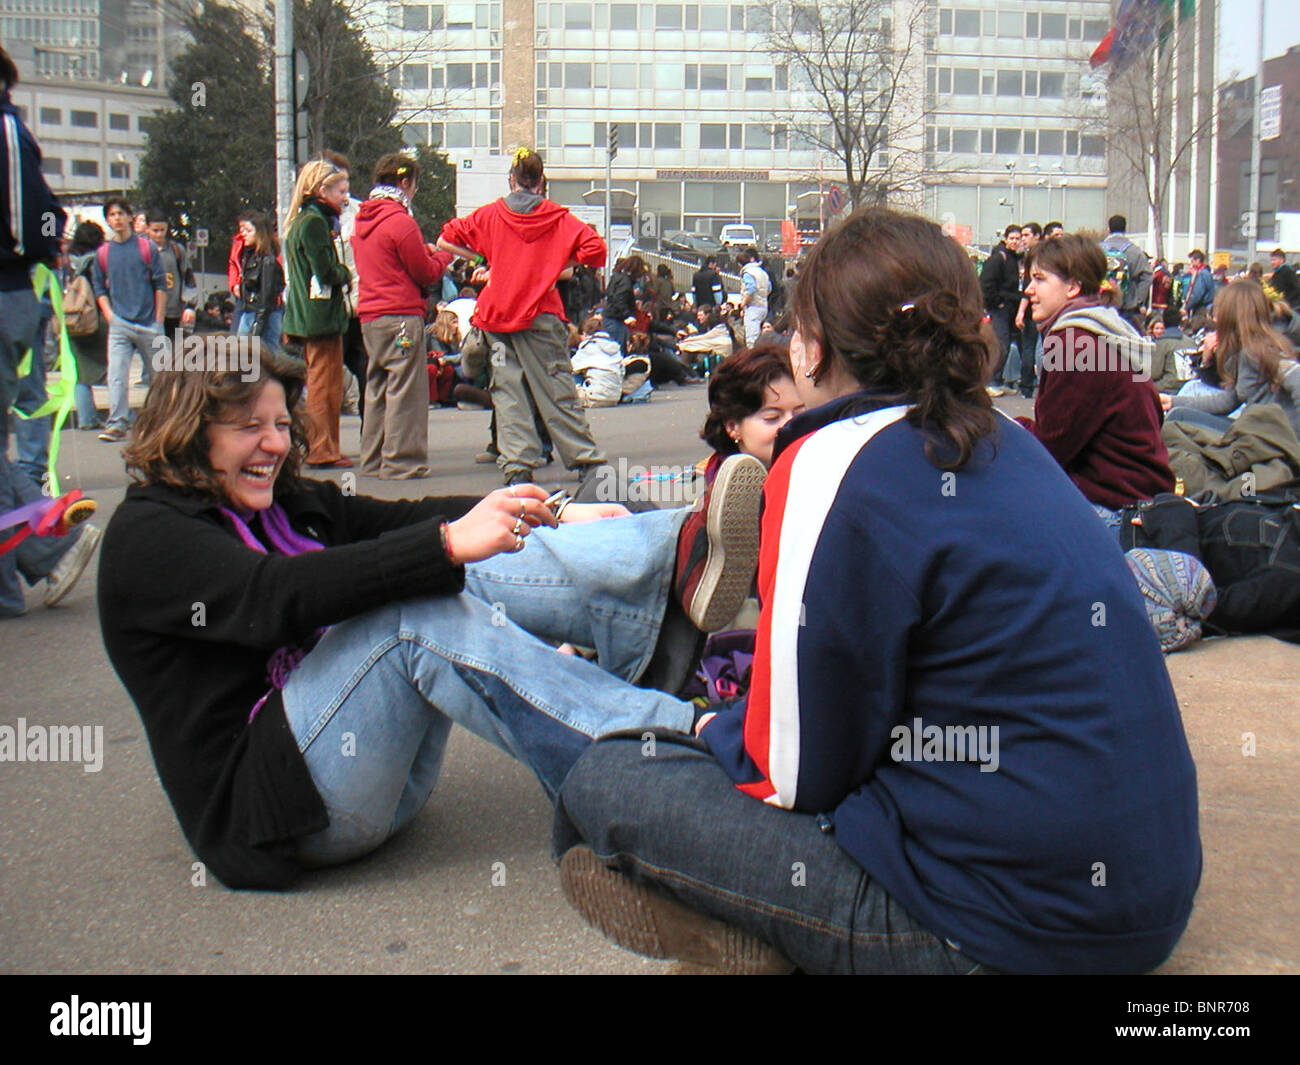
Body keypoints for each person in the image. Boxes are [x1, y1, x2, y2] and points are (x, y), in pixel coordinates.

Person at [553, 206, 1202, 976]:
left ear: (812, 346)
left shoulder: (828, 458)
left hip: (997, 933)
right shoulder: (1012, 441)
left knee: (607, 777)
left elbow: (792, 773)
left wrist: (715, 732)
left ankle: (774, 936)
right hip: (1146, 903)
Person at [96, 343, 775, 889]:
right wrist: (447, 545)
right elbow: (275, 596)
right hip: (289, 816)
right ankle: (688, 733)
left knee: (445, 556)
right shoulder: (148, 538)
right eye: (249, 427)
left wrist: (548, 510)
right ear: (188, 432)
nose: (274, 443)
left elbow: (394, 519)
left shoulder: (279, 502)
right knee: (413, 604)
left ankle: (669, 560)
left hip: (376, 776)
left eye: (280, 423)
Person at [1, 44, 102, 619]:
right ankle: (44, 547)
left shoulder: (6, 131)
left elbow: (36, 220)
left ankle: (38, 553)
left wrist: (27, 255)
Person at [437, 147, 608, 486]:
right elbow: (596, 251)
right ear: (541, 182)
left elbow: (446, 238)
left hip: (498, 315)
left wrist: (487, 258)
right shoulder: (558, 218)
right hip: (540, 315)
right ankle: (585, 462)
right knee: (555, 387)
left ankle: (517, 466)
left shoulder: (489, 216)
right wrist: (551, 265)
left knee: (508, 393)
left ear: (511, 180)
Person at [1020, 233, 1174, 533]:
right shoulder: (1103, 326)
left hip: (1115, 509)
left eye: (1039, 279)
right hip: (1142, 497)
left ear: (1073, 286)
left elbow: (1050, 449)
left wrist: (1002, 428)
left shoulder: (1074, 344)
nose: (1028, 290)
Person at [351, 152, 453, 479]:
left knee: (378, 386)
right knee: (406, 389)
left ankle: (373, 459)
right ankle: (401, 462)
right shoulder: (400, 222)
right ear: (405, 182)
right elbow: (424, 273)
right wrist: (443, 257)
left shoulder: (363, 220)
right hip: (400, 316)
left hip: (370, 316)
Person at [282, 158, 353, 468]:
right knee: (325, 387)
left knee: (323, 383)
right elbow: (325, 271)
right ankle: (322, 449)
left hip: (308, 313)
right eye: (341, 190)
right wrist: (345, 273)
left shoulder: (301, 220)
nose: (345, 197)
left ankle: (325, 447)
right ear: (322, 190)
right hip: (320, 316)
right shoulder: (314, 223)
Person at [1162, 279, 1300, 439]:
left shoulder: (1257, 350)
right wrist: (1172, 401)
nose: (1215, 318)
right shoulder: (1253, 346)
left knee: (1178, 418)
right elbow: (1230, 400)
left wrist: (1294, 443)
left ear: (1232, 315)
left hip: (1265, 440)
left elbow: (1297, 378)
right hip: (1256, 433)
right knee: (1179, 413)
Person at [91, 197, 166, 442]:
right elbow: (99, 289)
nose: (117, 219)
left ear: (130, 217)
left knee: (161, 377)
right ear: (107, 220)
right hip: (120, 324)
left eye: (121, 213)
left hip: (148, 323)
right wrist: (110, 316)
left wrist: (158, 320)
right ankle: (117, 423)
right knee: (116, 375)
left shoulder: (147, 248)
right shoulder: (103, 253)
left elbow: (160, 285)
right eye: (112, 215)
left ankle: (163, 422)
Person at [65, 221, 109, 429]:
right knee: (111, 369)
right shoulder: (99, 261)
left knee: (80, 373)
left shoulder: (67, 261)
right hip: (95, 319)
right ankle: (122, 415)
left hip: (72, 320)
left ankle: (86, 418)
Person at [979, 224, 1021, 396]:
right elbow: (986, 283)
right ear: (1005, 239)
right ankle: (990, 382)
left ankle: (997, 380)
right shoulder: (999, 257)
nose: (1015, 242)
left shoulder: (1012, 258)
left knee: (1006, 344)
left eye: (1018, 238)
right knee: (1000, 344)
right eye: (1012, 238)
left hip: (1008, 307)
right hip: (999, 309)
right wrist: (997, 303)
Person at [234, 212, 285, 353]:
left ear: (260, 234)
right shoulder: (249, 256)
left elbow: (267, 297)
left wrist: (258, 325)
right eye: (242, 230)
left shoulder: (267, 261)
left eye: (248, 230)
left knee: (261, 360)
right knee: (243, 361)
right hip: (251, 313)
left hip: (262, 316)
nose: (243, 234)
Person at [144, 210, 196, 341]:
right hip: (147, 312)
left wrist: (190, 306)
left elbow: (189, 279)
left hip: (173, 312)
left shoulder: (176, 250)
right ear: (147, 229)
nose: (159, 234)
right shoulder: (140, 251)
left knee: (172, 352)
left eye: (162, 230)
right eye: (155, 230)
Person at [1100, 214, 1154, 332]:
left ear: (1108, 229)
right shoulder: (1134, 251)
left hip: (1101, 305)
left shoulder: (1098, 250)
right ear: (1125, 229)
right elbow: (1147, 276)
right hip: (1126, 306)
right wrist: (1138, 299)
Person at [600, 256, 643, 352]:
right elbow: (619, 300)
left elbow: (611, 295)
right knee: (618, 350)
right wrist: (628, 315)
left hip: (609, 317)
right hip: (616, 319)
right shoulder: (626, 282)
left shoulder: (616, 278)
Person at [736, 247, 771, 347]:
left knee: (752, 339)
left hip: (753, 308)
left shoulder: (748, 273)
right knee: (761, 337)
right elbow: (769, 288)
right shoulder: (762, 272)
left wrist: (743, 304)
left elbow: (751, 289)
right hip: (764, 306)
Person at [1182, 249, 1215, 319]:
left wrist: (1186, 307)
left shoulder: (1202, 274)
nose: (1191, 264)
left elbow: (1197, 294)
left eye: (1192, 261)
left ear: (1198, 260)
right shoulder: (1206, 273)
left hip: (1201, 309)